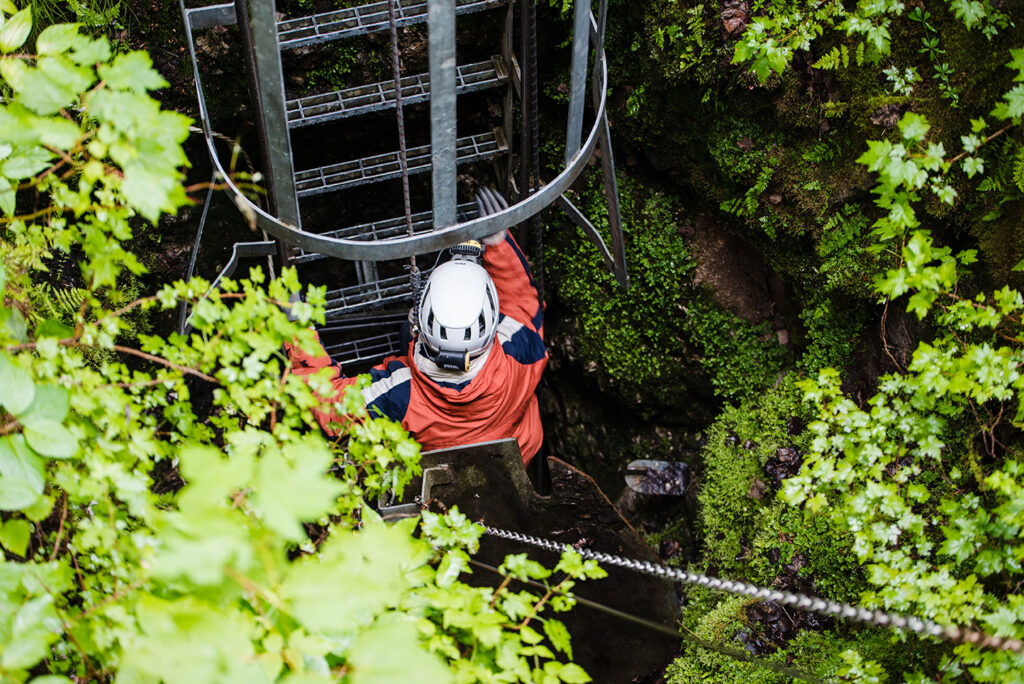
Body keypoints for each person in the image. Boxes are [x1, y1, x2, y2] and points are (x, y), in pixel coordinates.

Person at [287, 187, 548, 467]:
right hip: (516, 463)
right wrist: (499, 241)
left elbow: (328, 407)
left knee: (402, 333)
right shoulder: (520, 354)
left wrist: (298, 331)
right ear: (493, 318)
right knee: (404, 333)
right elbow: (525, 305)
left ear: (422, 321)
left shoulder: (399, 394)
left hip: (441, 478)